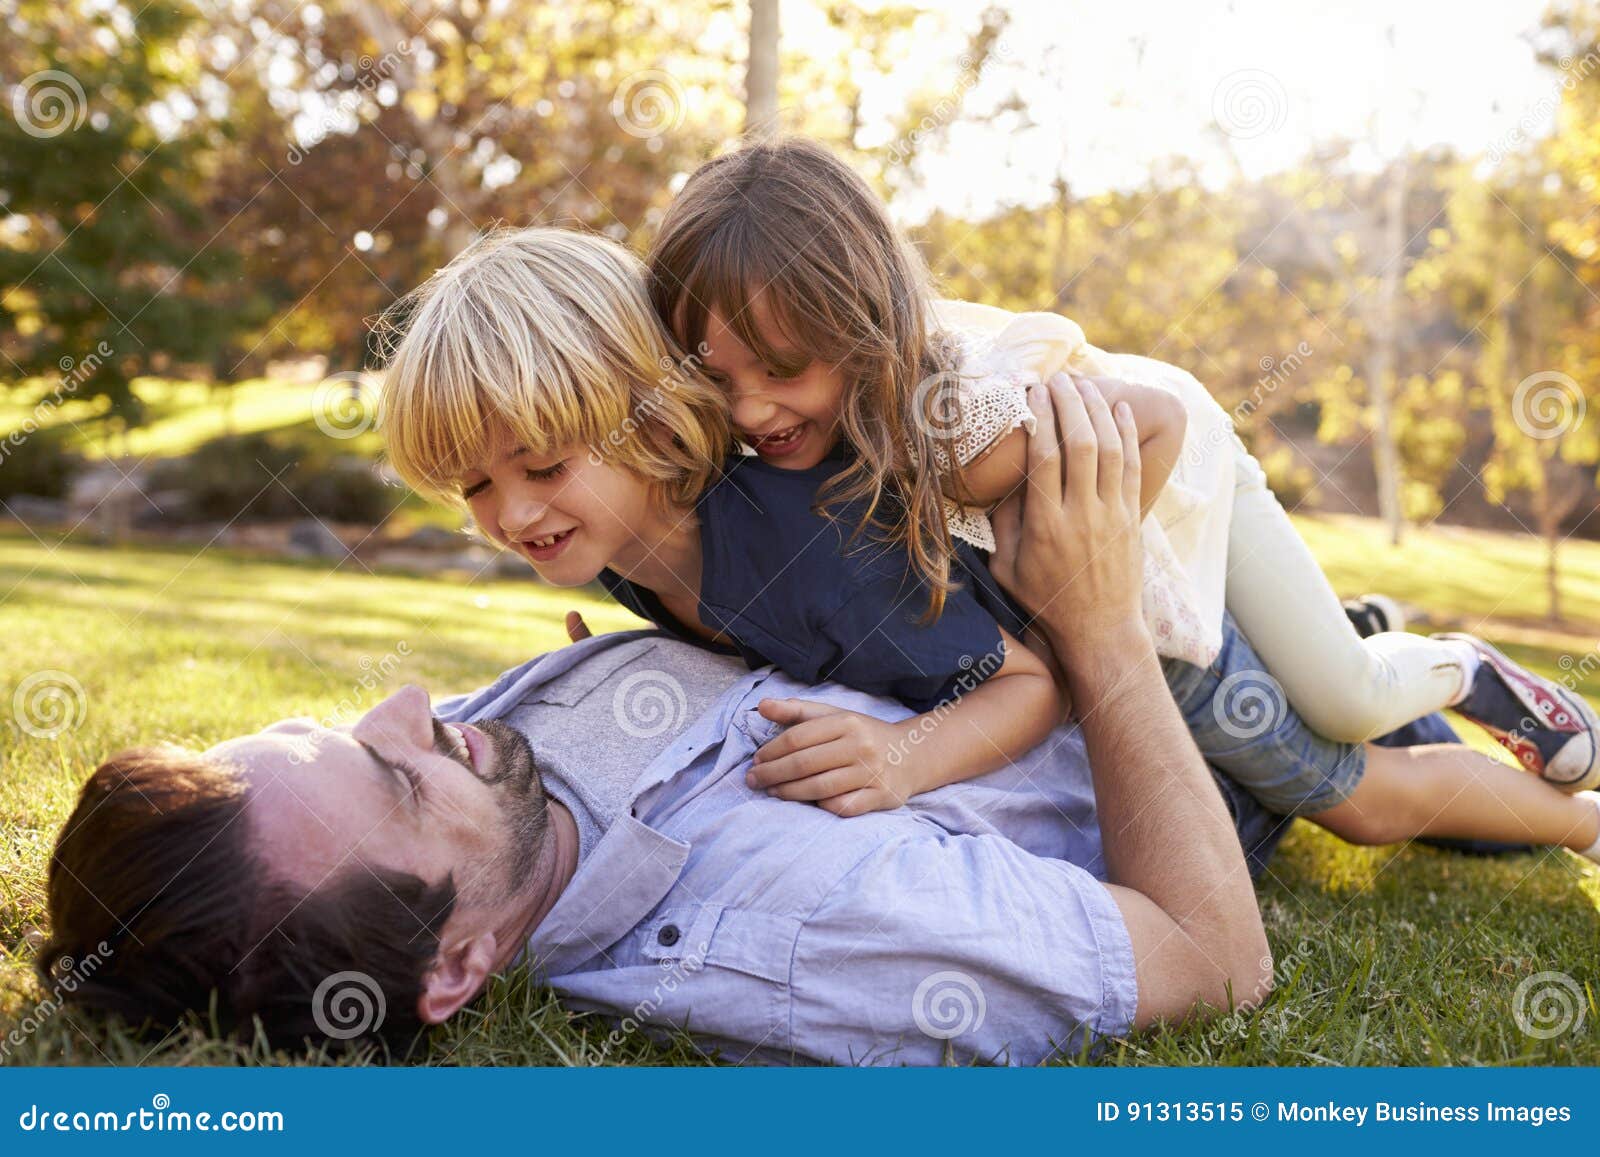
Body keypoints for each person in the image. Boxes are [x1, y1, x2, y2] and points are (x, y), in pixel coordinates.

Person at [382, 224, 1600, 859]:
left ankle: (1565, 798)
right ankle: (1375, 647)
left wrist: (907, 758)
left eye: (542, 467)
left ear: (653, 419)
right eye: (471, 484)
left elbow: (1030, 679)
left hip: (1126, 626)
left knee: (1358, 800)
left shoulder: (812, 549)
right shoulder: (628, 546)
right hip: (1094, 622)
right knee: (1328, 706)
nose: (509, 514)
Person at [641, 136, 1600, 823]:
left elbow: (1158, 423)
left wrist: (1074, 588)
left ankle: (1464, 666)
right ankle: (1360, 629)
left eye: (782, 370)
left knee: (1343, 699)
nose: (753, 410)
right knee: (1314, 692)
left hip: (1197, 481)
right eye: (717, 378)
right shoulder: (808, 432)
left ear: (859, 330)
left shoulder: (964, 439)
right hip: (1151, 518)